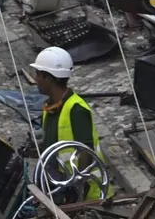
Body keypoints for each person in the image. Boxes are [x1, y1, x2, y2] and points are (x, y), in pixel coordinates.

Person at [29, 46, 105, 201]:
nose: (35, 79)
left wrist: (78, 189)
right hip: (60, 187)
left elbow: (86, 152)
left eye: (38, 74)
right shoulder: (50, 107)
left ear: (49, 78)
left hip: (86, 195)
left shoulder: (76, 109)